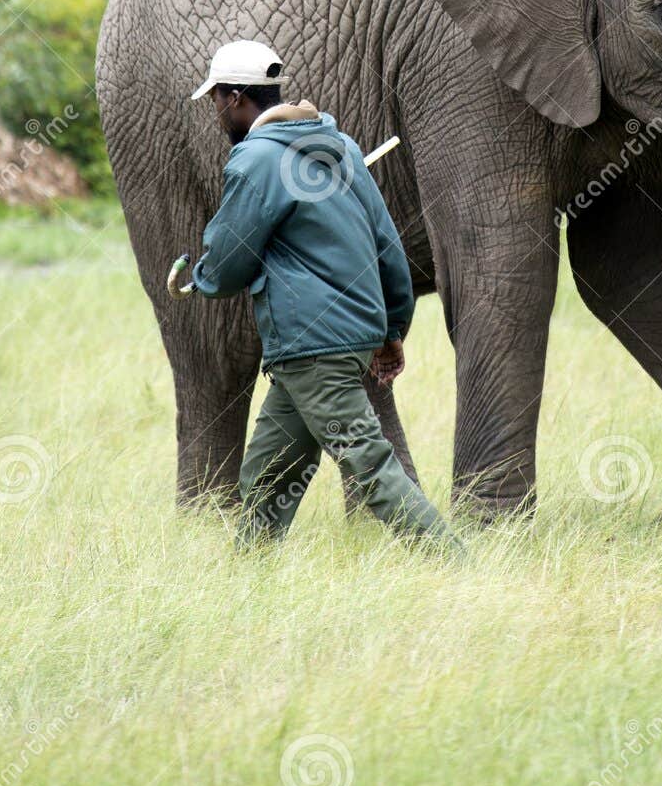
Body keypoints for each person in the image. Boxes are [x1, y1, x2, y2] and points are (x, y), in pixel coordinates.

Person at [181, 39, 460, 554]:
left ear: (236, 98)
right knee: (269, 474)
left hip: (313, 346)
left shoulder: (254, 159)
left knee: (370, 466)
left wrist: (202, 276)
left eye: (216, 98)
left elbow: (229, 259)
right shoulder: (341, 146)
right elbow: (387, 245)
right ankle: (247, 580)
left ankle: (458, 568)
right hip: (321, 347)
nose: (216, 111)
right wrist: (391, 329)